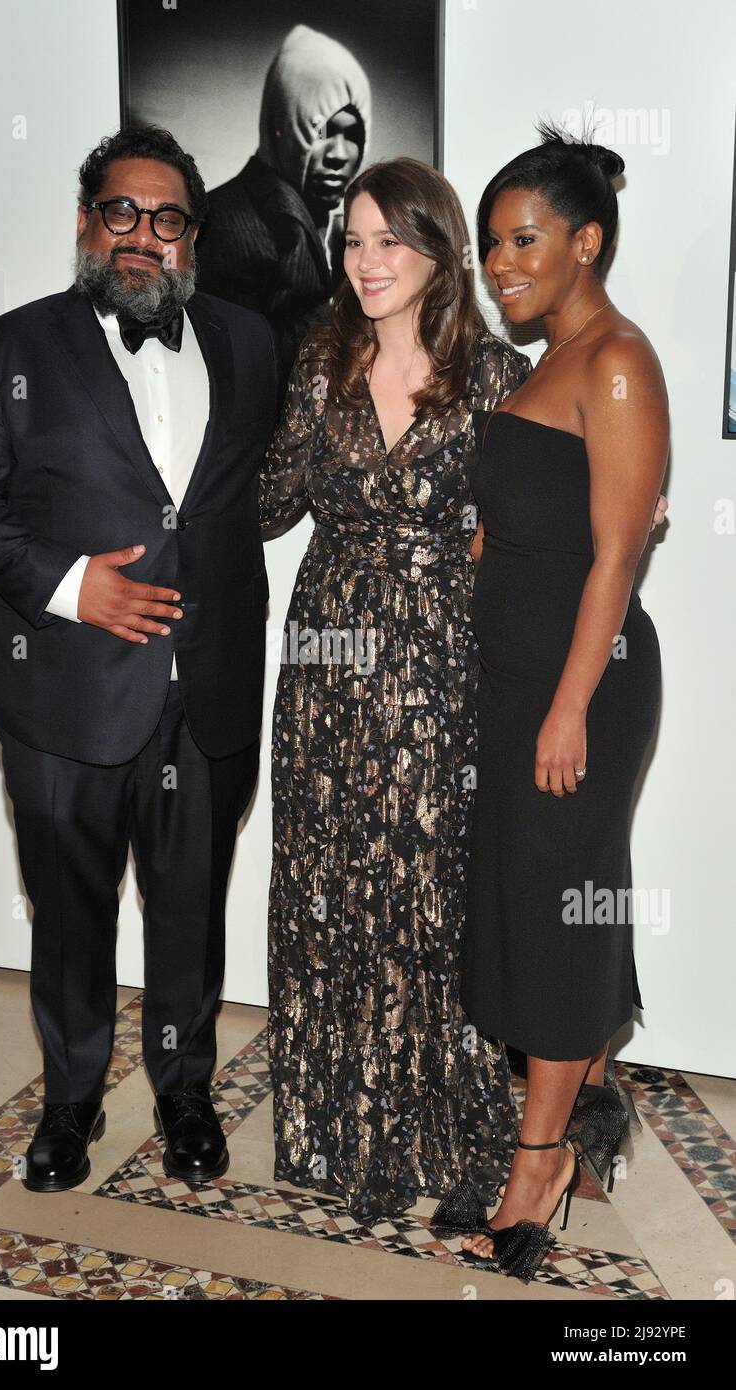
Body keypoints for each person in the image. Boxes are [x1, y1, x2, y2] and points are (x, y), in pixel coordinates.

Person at [0, 125, 278, 1194]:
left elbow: (265, 488)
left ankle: (183, 1092)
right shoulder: (12, 348)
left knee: (190, 910)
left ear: (192, 238)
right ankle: (70, 1096)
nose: (143, 236)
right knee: (70, 916)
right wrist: (76, 585)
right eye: (121, 212)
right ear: (86, 224)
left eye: (167, 218)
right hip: (64, 696)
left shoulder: (250, 342)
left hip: (206, 692)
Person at [258, 155, 541, 1226]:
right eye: (353, 240)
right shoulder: (320, 361)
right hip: (326, 665)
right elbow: (271, 504)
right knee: (329, 890)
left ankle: (446, 1126)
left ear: (437, 252)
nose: (366, 261)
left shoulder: (496, 376)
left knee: (429, 894)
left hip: (437, 667)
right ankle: (343, 1130)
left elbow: (527, 518)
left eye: (389, 240)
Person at [452, 124, 667, 1282]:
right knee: (545, 903)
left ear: (586, 242)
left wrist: (569, 704)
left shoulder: (616, 359)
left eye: (524, 239)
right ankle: (587, 1110)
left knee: (553, 914)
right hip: (519, 680)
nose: (501, 264)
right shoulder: (541, 363)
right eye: (492, 244)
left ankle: (537, 1167)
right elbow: (527, 520)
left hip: (579, 685)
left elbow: (617, 556)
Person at [196, 24, 369, 395]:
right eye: (323, 131)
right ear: (283, 126)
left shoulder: (348, 228)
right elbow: (238, 371)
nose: (339, 155)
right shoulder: (225, 220)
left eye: (352, 136)